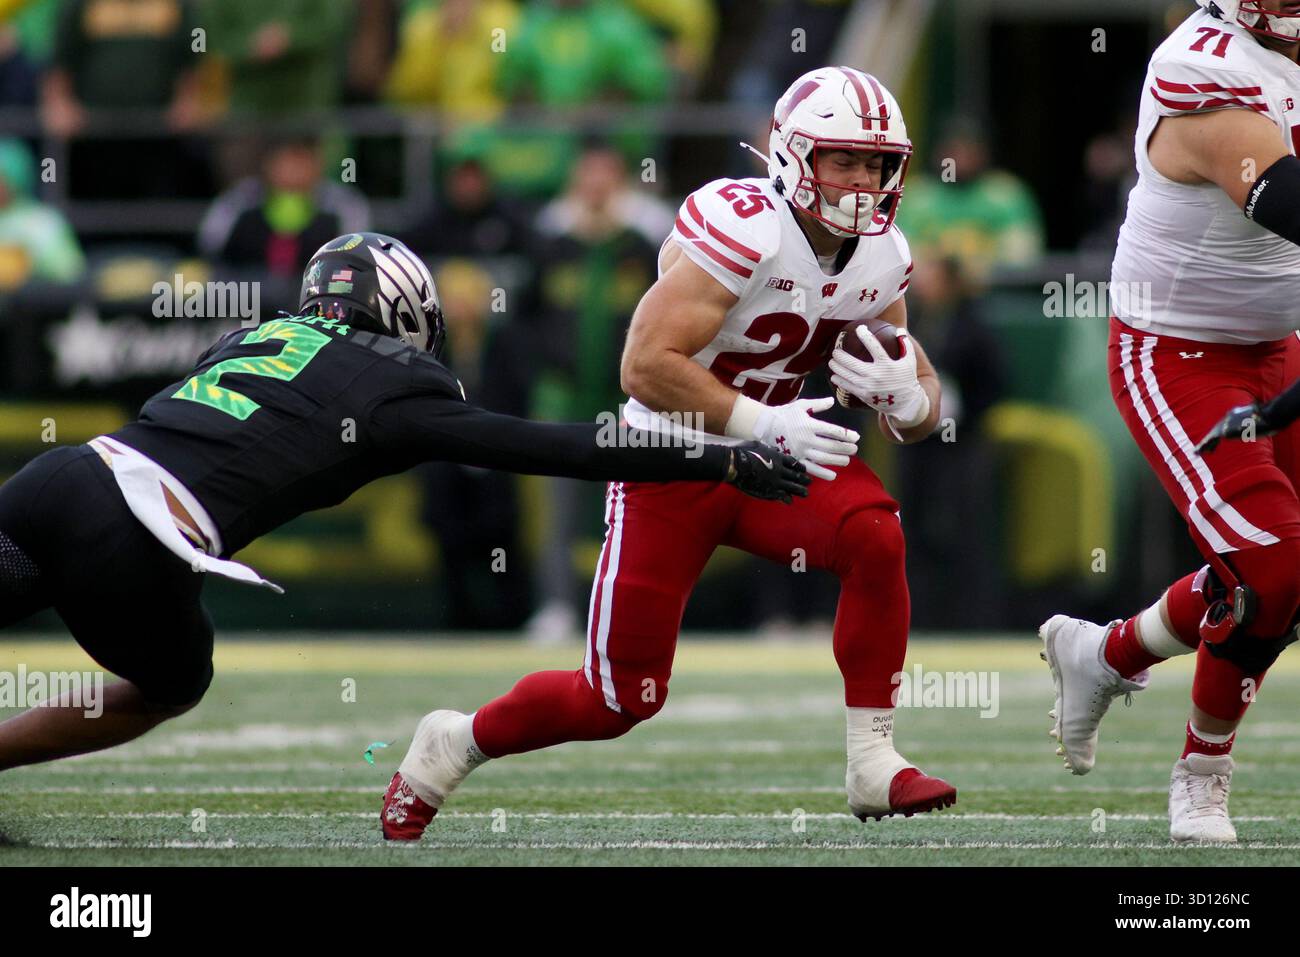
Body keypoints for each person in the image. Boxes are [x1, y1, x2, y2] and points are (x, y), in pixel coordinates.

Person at [383, 67, 957, 841]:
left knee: (875, 533)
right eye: (843, 160)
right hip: (673, 456)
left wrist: (911, 398)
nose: (863, 181)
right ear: (794, 157)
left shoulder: (882, 255)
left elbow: (917, 405)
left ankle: (872, 759)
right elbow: (644, 363)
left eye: (877, 163)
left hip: (774, 457)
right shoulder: (747, 225)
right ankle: (452, 742)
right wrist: (760, 419)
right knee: (618, 700)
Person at [0, 232, 806, 774]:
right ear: (403, 311)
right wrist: (720, 459)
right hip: (135, 536)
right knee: (174, 685)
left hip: (62, 476)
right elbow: (562, 446)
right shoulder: (396, 387)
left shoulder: (255, 335)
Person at [1040, 0, 1300, 844]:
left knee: (1278, 571)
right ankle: (1202, 773)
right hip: (1180, 353)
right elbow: (1284, 196)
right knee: (1274, 565)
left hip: (1281, 341)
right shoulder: (1205, 63)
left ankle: (1106, 655)